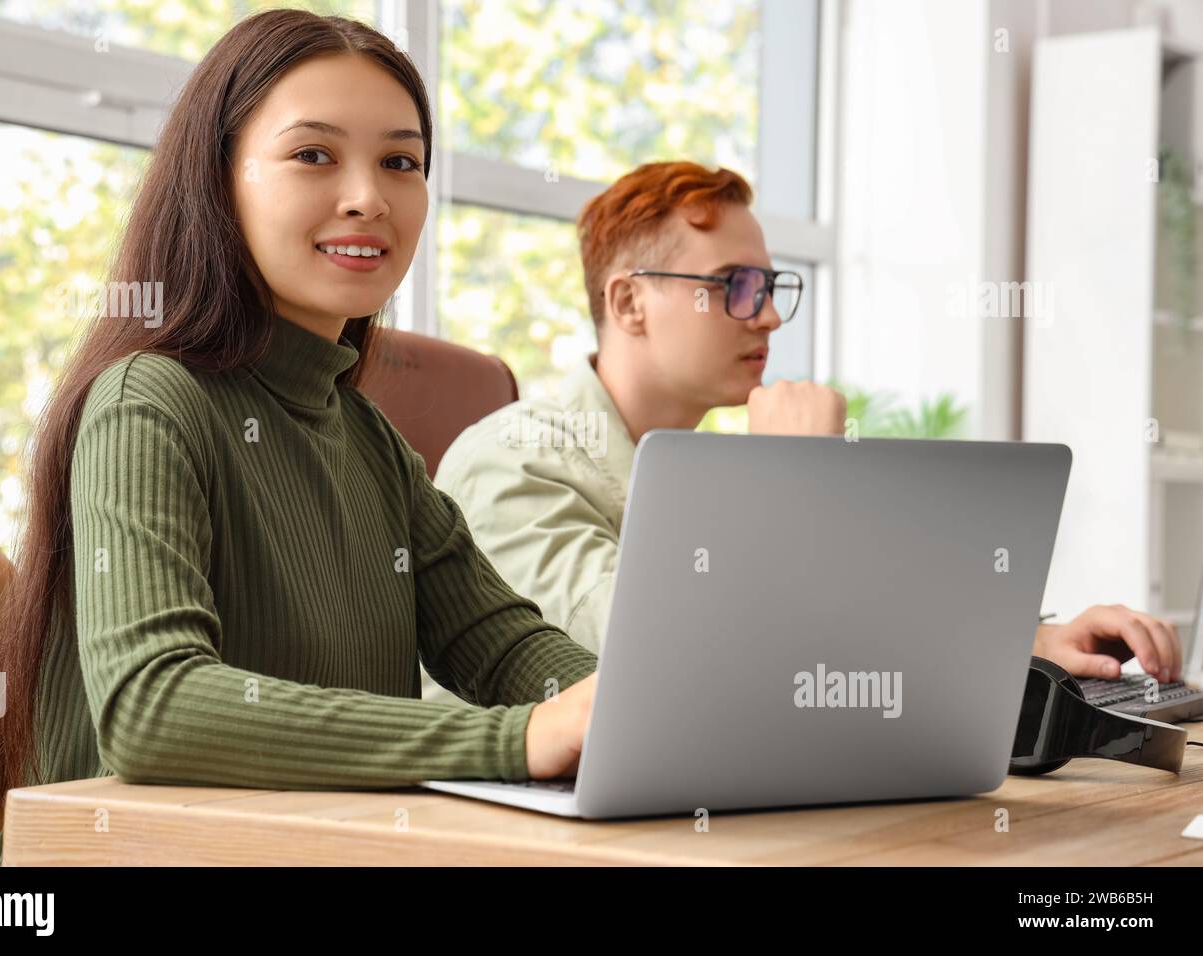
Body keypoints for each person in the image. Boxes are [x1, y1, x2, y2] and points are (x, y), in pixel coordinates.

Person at [0, 10, 597, 867]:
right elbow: (153, 709)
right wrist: (513, 741)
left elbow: (505, 645)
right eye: (313, 155)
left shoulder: (367, 434)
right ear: (217, 181)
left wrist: (634, 710)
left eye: (400, 162)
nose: (368, 197)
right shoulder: (148, 401)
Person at [421, 160, 1182, 703]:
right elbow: (655, 659)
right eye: (734, 287)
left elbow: (846, 621)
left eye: (772, 285)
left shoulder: (696, 470)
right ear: (629, 305)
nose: (771, 314)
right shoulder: (511, 462)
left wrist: (1030, 643)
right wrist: (786, 477)